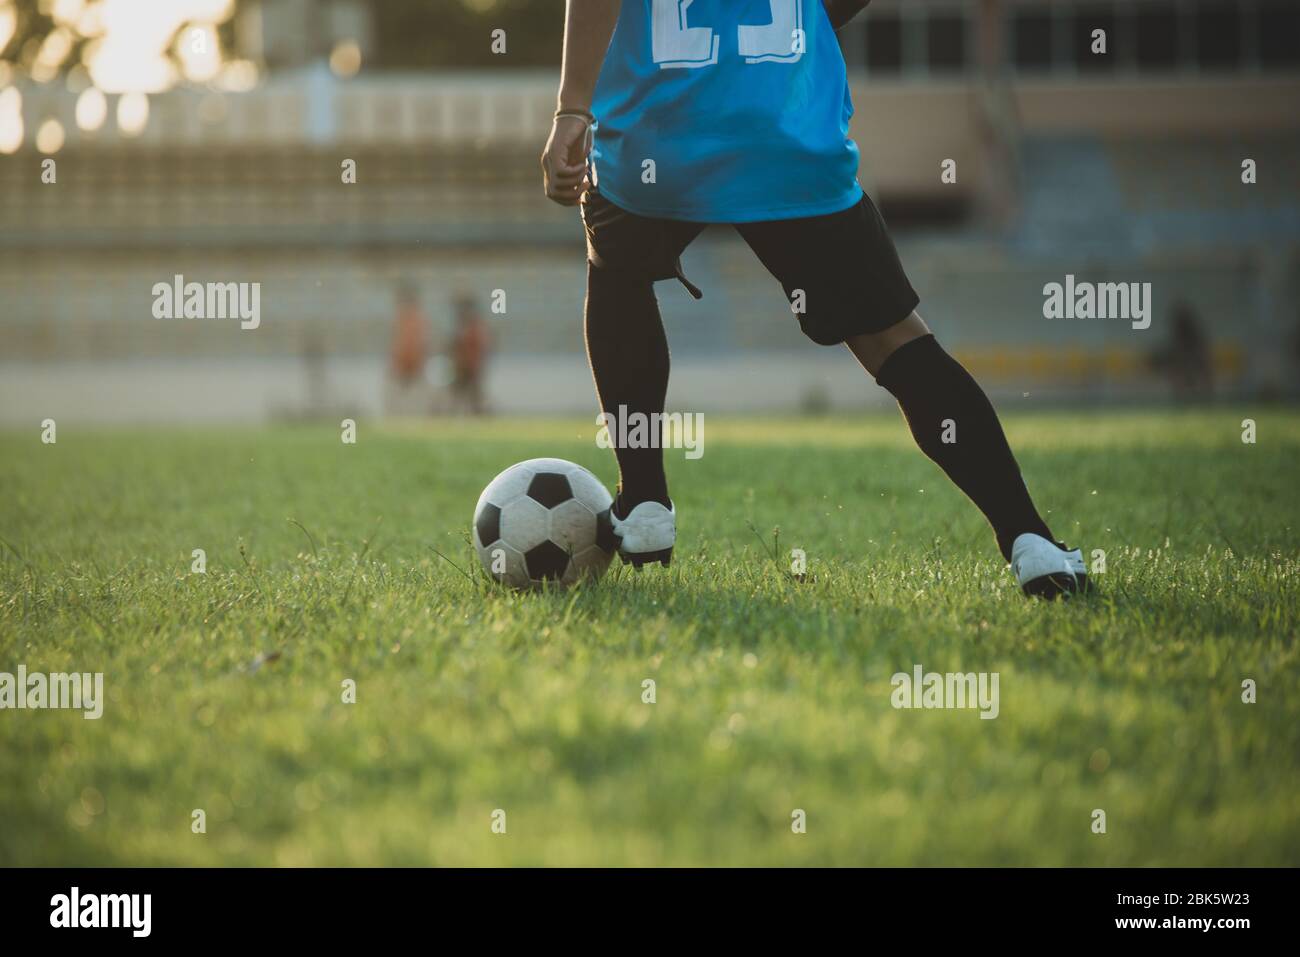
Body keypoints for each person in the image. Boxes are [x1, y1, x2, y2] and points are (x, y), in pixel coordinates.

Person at [540, 0, 1088, 597]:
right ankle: (1028, 541)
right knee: (894, 340)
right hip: (787, 137)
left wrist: (572, 107)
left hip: (659, 138)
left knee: (617, 273)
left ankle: (644, 499)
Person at [448, 294, 491, 416]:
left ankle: (480, 413)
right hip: (464, 366)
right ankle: (475, 412)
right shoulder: (464, 326)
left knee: (471, 394)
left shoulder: (474, 326)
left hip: (470, 366)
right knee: (464, 393)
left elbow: (478, 346)